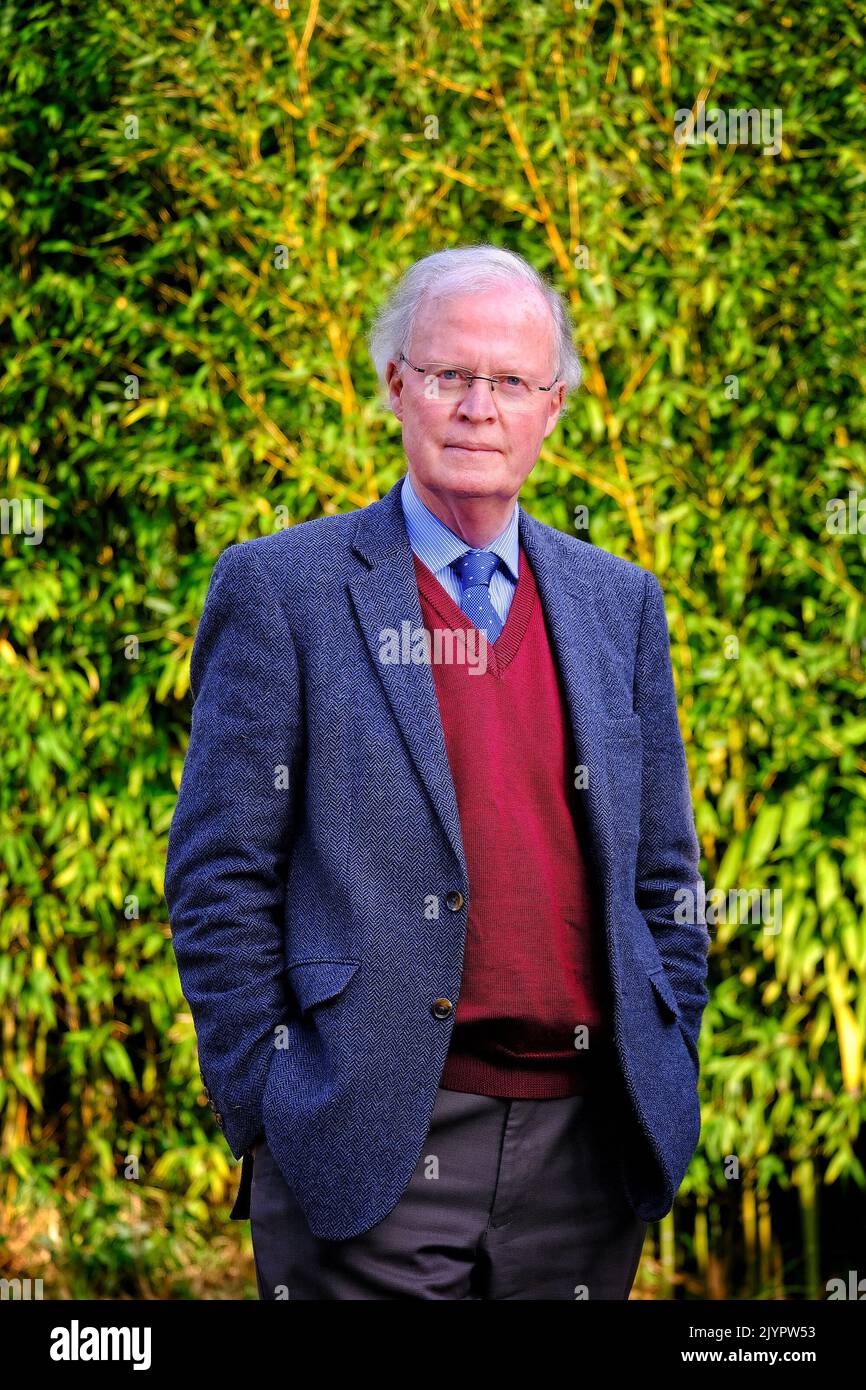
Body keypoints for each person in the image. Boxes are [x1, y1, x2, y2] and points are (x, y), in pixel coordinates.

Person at [164, 243, 709, 1300]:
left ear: (551, 408)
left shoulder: (616, 603)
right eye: (449, 373)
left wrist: (666, 1050)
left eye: (508, 381)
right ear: (394, 385)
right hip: (367, 1136)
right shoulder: (285, 589)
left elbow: (662, 877)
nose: (476, 406)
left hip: (584, 1147)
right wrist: (272, 1100)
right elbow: (217, 871)